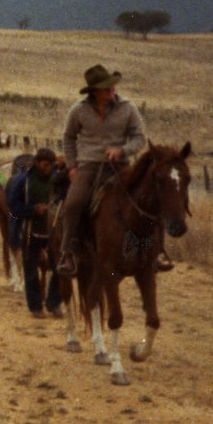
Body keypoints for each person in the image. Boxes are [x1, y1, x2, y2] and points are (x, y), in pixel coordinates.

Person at [56, 64, 146, 277]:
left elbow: (139, 138)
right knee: (73, 204)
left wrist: (122, 150)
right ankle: (68, 253)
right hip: (89, 166)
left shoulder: (128, 107)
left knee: (146, 199)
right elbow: (68, 138)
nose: (112, 90)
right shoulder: (78, 110)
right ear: (94, 91)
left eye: (112, 86)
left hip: (120, 166)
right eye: (106, 88)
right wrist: (72, 167)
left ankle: (154, 251)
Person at [7, 148, 65, 317]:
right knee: (31, 271)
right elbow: (13, 206)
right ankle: (36, 307)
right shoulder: (24, 181)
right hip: (30, 232)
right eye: (46, 165)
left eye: (51, 165)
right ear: (38, 163)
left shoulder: (57, 180)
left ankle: (54, 303)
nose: (49, 168)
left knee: (59, 268)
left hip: (53, 233)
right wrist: (32, 210)